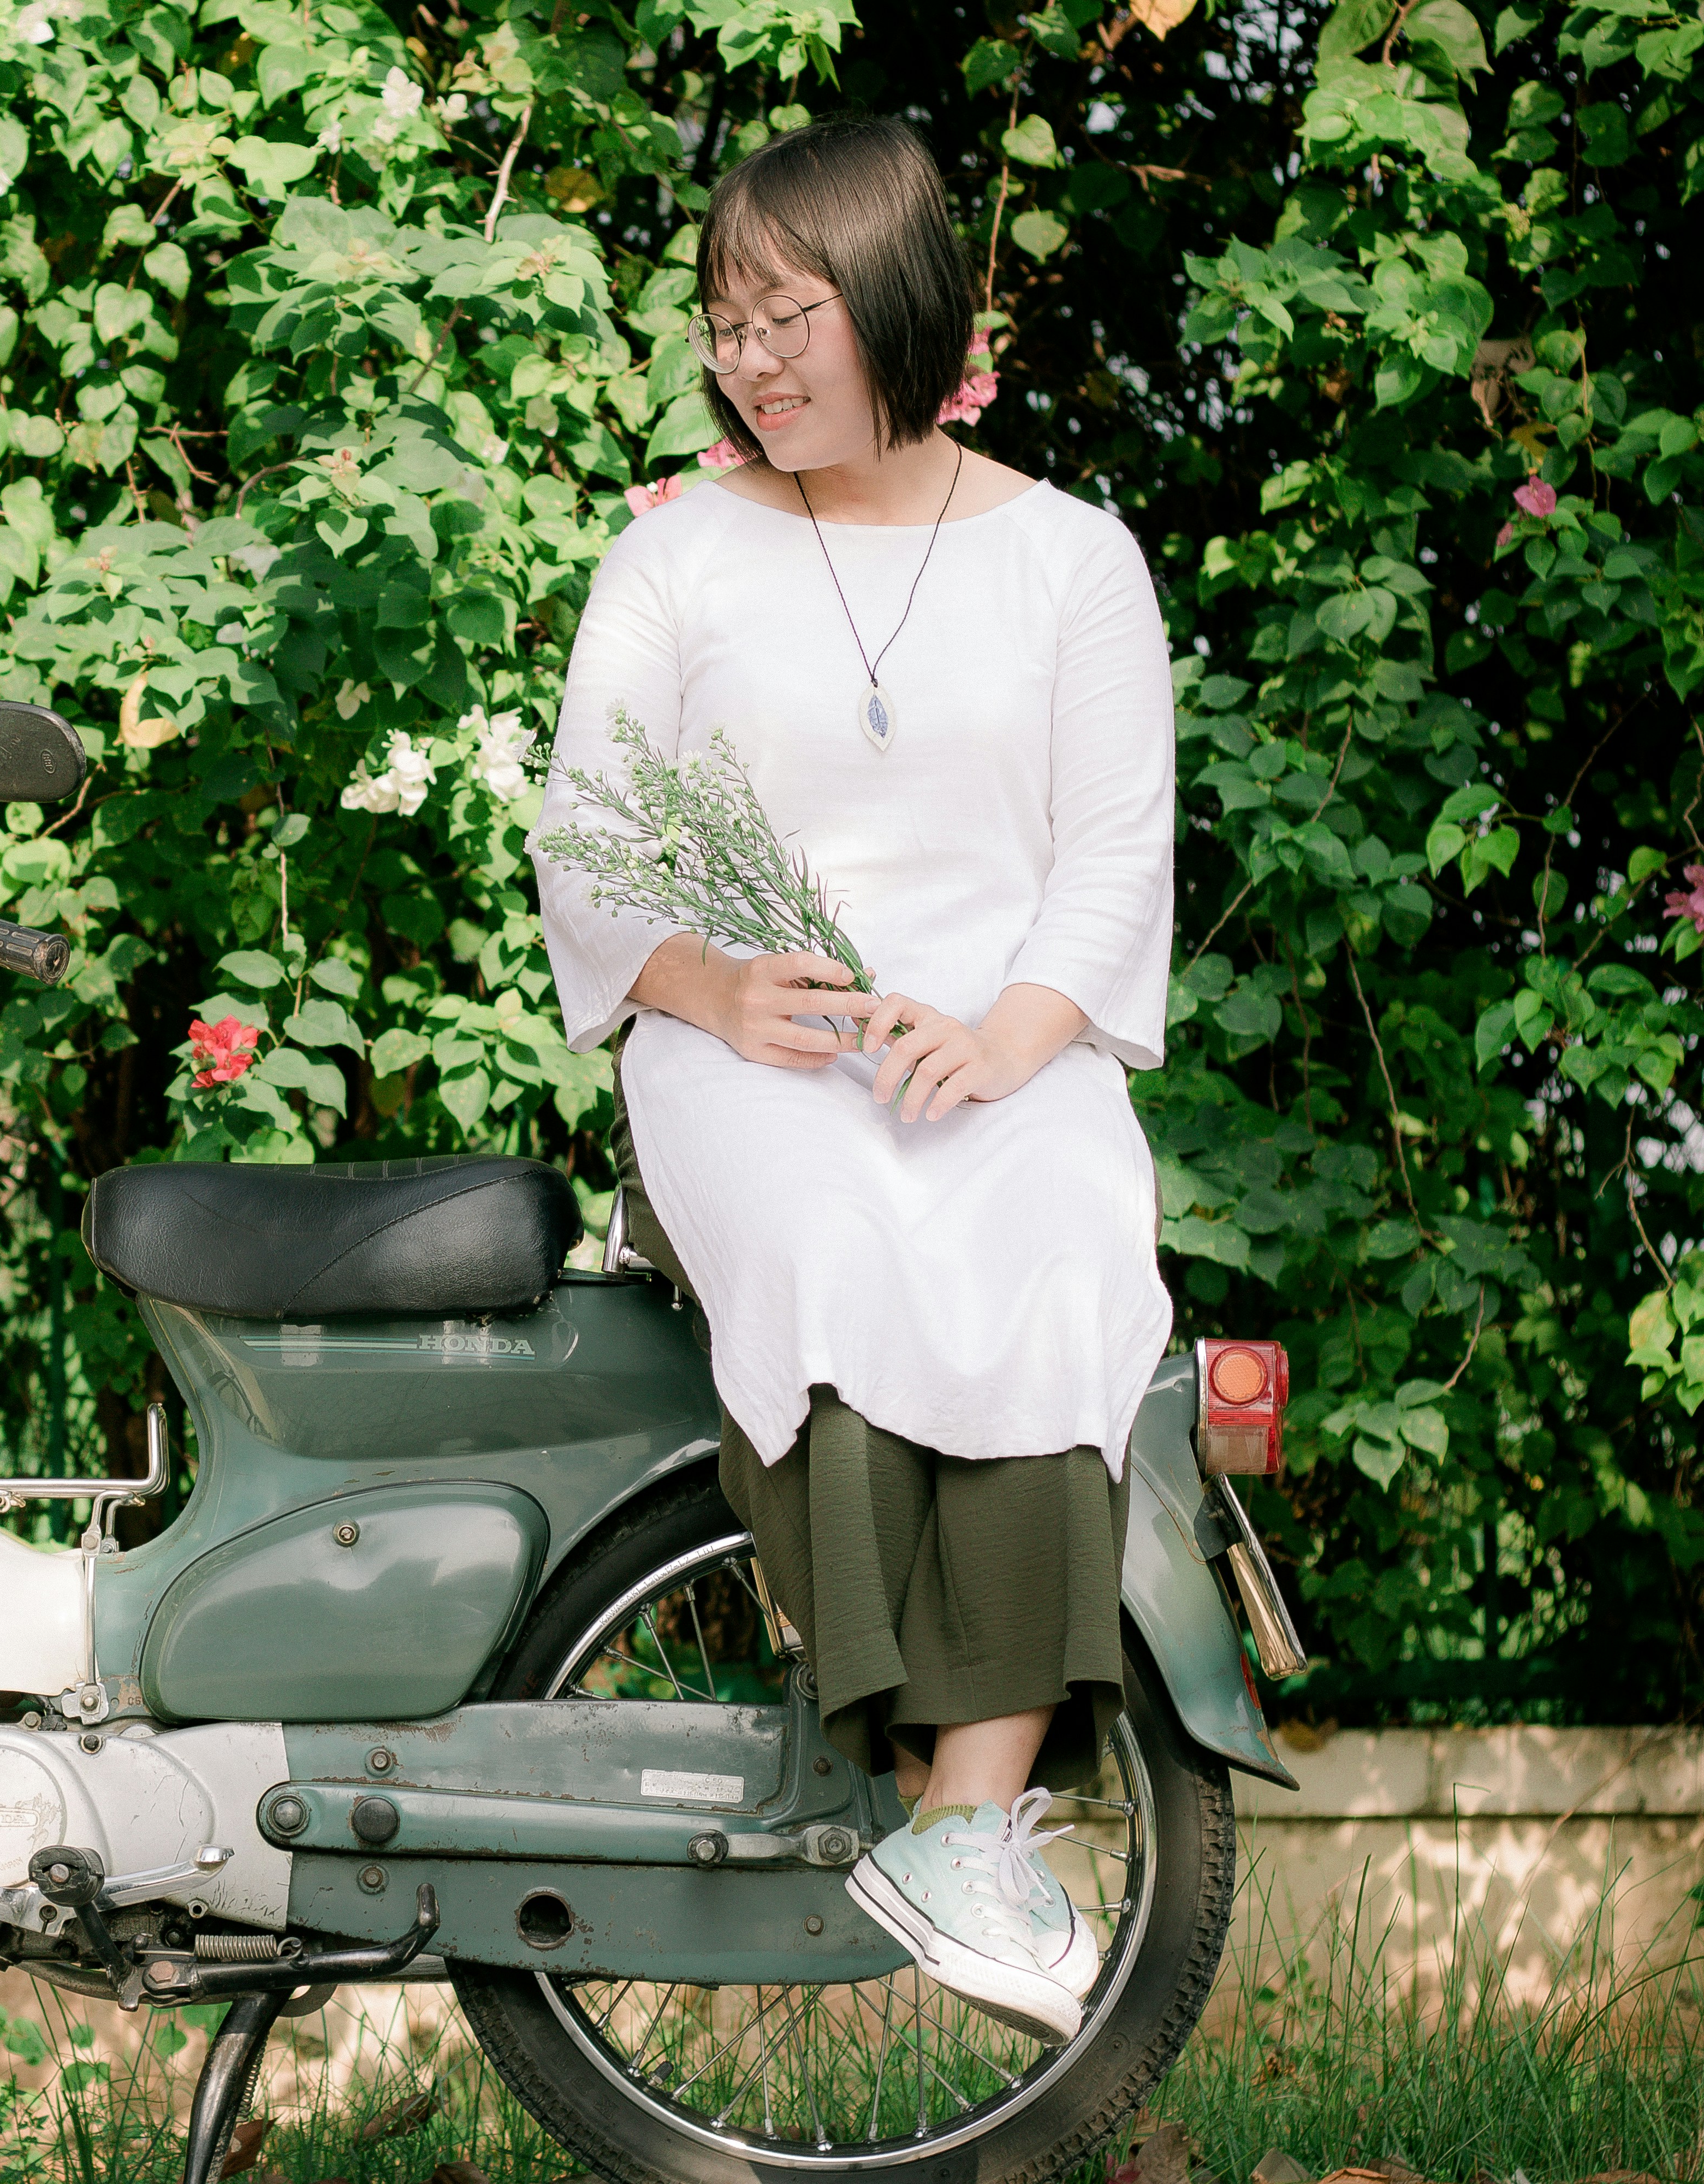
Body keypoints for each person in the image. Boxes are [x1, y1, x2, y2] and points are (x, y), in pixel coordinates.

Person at [529, 114, 1177, 2045]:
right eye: (725, 322)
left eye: (788, 314)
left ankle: (966, 1826)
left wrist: (1009, 1036)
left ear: (893, 296)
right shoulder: (679, 553)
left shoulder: (1073, 557)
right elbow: (589, 834)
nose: (752, 358)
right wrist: (709, 989)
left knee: (1060, 1238)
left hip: (998, 1042)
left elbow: (1116, 852)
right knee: (826, 1244)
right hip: (753, 1049)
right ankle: (935, 1807)